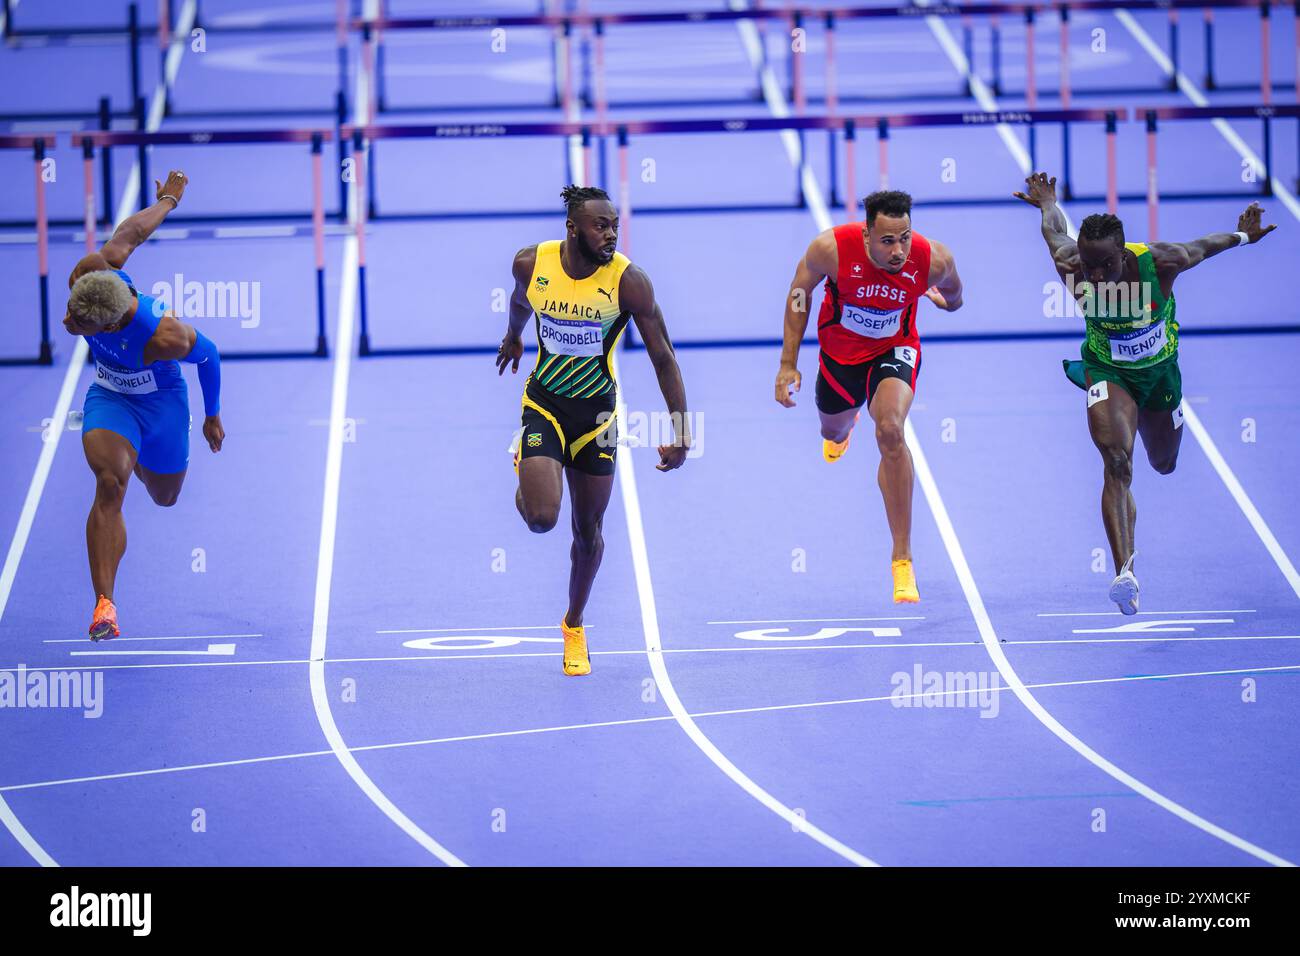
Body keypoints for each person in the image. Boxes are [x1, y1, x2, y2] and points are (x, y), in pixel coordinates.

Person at [1014, 170, 1276, 613]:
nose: (1094, 276)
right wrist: (1046, 203)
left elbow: (1206, 246)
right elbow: (1053, 230)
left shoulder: (1162, 262)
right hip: (1107, 372)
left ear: (1124, 251)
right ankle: (1125, 573)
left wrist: (1244, 236)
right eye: (1088, 264)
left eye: (1105, 265)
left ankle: (1158, 450)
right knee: (1117, 462)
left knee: (1164, 463)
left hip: (1159, 376)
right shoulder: (1071, 263)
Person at [496, 185, 689, 676]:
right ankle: (527, 458)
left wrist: (682, 429)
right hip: (545, 403)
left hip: (598, 418)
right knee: (541, 518)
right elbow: (520, 302)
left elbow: (663, 356)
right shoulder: (530, 264)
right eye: (600, 226)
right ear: (572, 228)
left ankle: (574, 624)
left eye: (614, 226)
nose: (610, 234)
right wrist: (514, 337)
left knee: (588, 533)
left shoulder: (629, 282)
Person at [774, 190, 964, 603]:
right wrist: (788, 362)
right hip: (841, 358)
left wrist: (944, 301)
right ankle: (843, 429)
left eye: (905, 238)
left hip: (895, 349)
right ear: (866, 235)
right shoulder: (830, 250)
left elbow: (955, 296)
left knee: (892, 429)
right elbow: (798, 294)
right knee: (832, 426)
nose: (898, 251)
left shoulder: (933, 260)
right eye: (887, 241)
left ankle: (902, 559)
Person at [61, 170, 225, 640]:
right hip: (111, 396)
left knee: (165, 495)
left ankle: (149, 460)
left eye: (81, 325)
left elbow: (209, 354)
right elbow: (131, 233)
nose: (68, 322)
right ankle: (104, 605)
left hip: (160, 401)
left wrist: (212, 414)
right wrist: (170, 199)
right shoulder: (95, 269)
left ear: (112, 328)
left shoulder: (163, 337)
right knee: (111, 484)